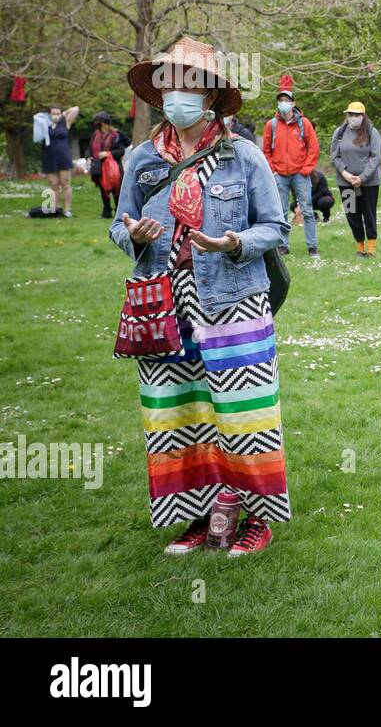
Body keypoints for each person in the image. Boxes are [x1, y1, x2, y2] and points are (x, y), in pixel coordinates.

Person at [112, 35, 291, 557]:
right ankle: (197, 516)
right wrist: (135, 237)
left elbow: (275, 228)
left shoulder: (244, 157)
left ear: (210, 95)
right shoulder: (142, 160)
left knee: (244, 415)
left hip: (233, 297)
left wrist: (234, 242)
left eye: (190, 83)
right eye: (169, 83)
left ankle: (255, 518)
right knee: (179, 414)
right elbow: (119, 230)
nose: (177, 94)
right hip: (163, 304)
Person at [262, 87, 320, 258]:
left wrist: (306, 169)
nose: (283, 104)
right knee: (280, 212)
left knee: (307, 211)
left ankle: (312, 247)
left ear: (293, 103)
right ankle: (283, 246)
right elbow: (265, 150)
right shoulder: (271, 125)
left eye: (286, 100)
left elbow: (313, 148)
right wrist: (272, 170)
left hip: (300, 174)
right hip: (279, 174)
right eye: (281, 100)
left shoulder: (304, 123)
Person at [331, 101, 381, 258]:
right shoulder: (339, 133)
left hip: (369, 182)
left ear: (363, 116)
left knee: (369, 213)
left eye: (356, 115)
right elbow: (334, 156)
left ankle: (372, 246)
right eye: (350, 114)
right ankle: (359, 246)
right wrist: (345, 173)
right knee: (352, 213)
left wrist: (362, 177)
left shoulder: (372, 132)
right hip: (345, 182)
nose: (353, 117)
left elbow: (376, 157)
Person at [40, 103, 79, 216]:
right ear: (49, 114)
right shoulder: (44, 124)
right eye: (53, 113)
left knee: (65, 183)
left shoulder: (65, 122)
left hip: (63, 157)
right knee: (53, 184)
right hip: (49, 157)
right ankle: (56, 208)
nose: (56, 115)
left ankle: (67, 209)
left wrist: (64, 113)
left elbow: (76, 108)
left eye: (58, 113)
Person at [88, 111, 129, 219]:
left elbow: (121, 151)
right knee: (103, 190)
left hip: (114, 167)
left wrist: (108, 154)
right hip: (99, 167)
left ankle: (119, 212)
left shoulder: (116, 135)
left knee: (117, 189)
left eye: (99, 122)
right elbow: (90, 148)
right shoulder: (95, 135)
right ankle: (106, 211)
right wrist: (89, 156)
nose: (97, 124)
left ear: (104, 123)